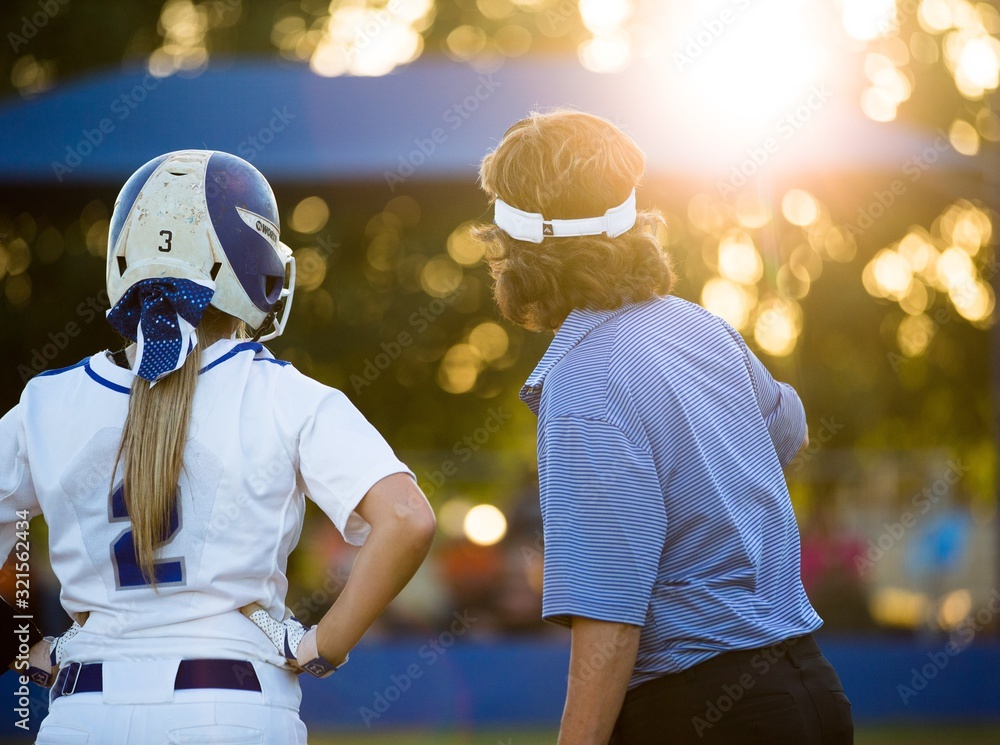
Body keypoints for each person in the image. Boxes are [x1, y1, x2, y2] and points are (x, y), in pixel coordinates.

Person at [0, 150, 436, 744]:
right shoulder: (283, 392)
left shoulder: (43, 403)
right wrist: (319, 647)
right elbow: (407, 518)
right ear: (246, 262)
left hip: (83, 709)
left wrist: (27, 649)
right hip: (234, 706)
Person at [474, 110, 853, 745]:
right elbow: (790, 430)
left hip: (702, 713)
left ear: (521, 246)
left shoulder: (581, 387)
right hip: (809, 689)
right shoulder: (698, 326)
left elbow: (610, 620)